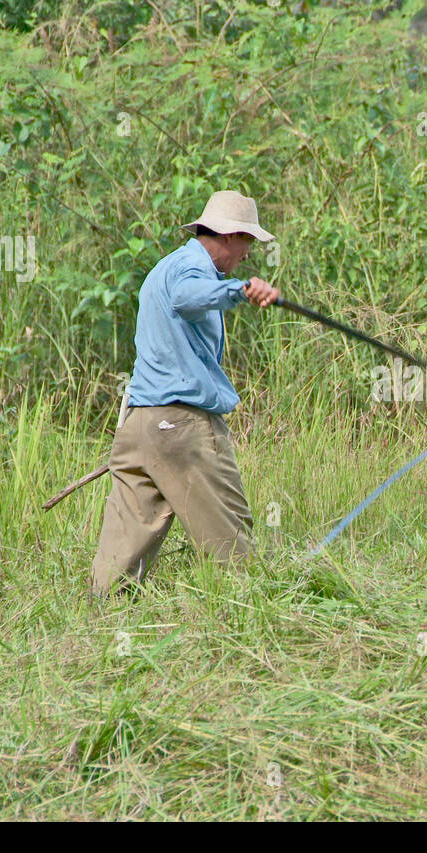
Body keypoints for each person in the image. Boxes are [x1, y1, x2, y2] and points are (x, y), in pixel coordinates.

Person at [89, 190, 280, 597]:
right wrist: (239, 291)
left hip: (139, 428)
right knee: (232, 544)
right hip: (181, 428)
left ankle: (98, 624)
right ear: (229, 236)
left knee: (121, 553)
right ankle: (251, 625)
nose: (247, 255)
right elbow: (187, 297)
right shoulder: (194, 270)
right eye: (247, 242)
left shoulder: (164, 266)